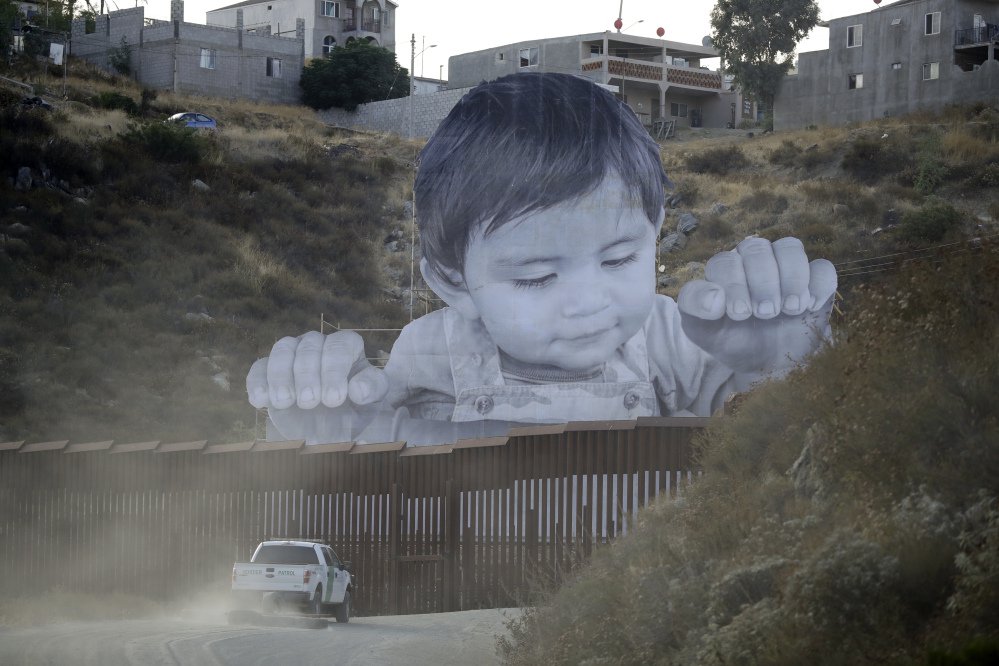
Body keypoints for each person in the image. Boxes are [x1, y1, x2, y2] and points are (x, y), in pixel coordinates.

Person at [246, 72, 836, 445]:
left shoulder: (675, 340)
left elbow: (770, 444)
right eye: (535, 278)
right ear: (454, 283)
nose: (588, 302)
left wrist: (777, 361)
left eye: (619, 260)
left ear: (655, 232)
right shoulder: (430, 354)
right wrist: (320, 428)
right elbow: (382, 457)